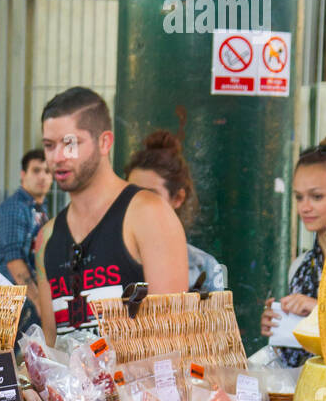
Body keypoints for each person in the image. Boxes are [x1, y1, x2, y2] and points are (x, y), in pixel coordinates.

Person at [34, 87, 189, 346]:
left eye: (71, 143)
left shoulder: (148, 214)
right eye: (49, 145)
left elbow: (172, 335)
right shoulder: (46, 237)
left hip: (138, 385)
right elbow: (51, 344)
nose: (58, 157)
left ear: (105, 142)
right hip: (68, 385)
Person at [259, 131, 326, 367]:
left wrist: (316, 310)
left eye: (317, 196)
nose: (305, 207)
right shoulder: (300, 266)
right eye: (299, 197)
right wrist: (280, 324)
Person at [125, 129, 226, 293]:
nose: (138, 204)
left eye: (150, 196)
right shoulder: (108, 258)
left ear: (178, 198)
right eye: (130, 194)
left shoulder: (203, 267)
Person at [0, 148, 52, 329]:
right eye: (36, 170)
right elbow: (14, 260)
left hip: (27, 298)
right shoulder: (15, 208)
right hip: (13, 301)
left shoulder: (39, 208)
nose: (42, 177)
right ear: (22, 175)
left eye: (47, 171)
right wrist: (39, 301)